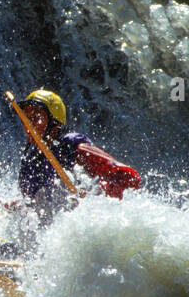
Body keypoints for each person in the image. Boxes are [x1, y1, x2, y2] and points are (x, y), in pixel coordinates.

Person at [16, 89, 141, 223]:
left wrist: (94, 196)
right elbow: (32, 206)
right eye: (26, 117)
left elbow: (127, 177)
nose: (27, 124)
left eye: (35, 118)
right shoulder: (31, 160)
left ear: (54, 123)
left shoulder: (71, 146)